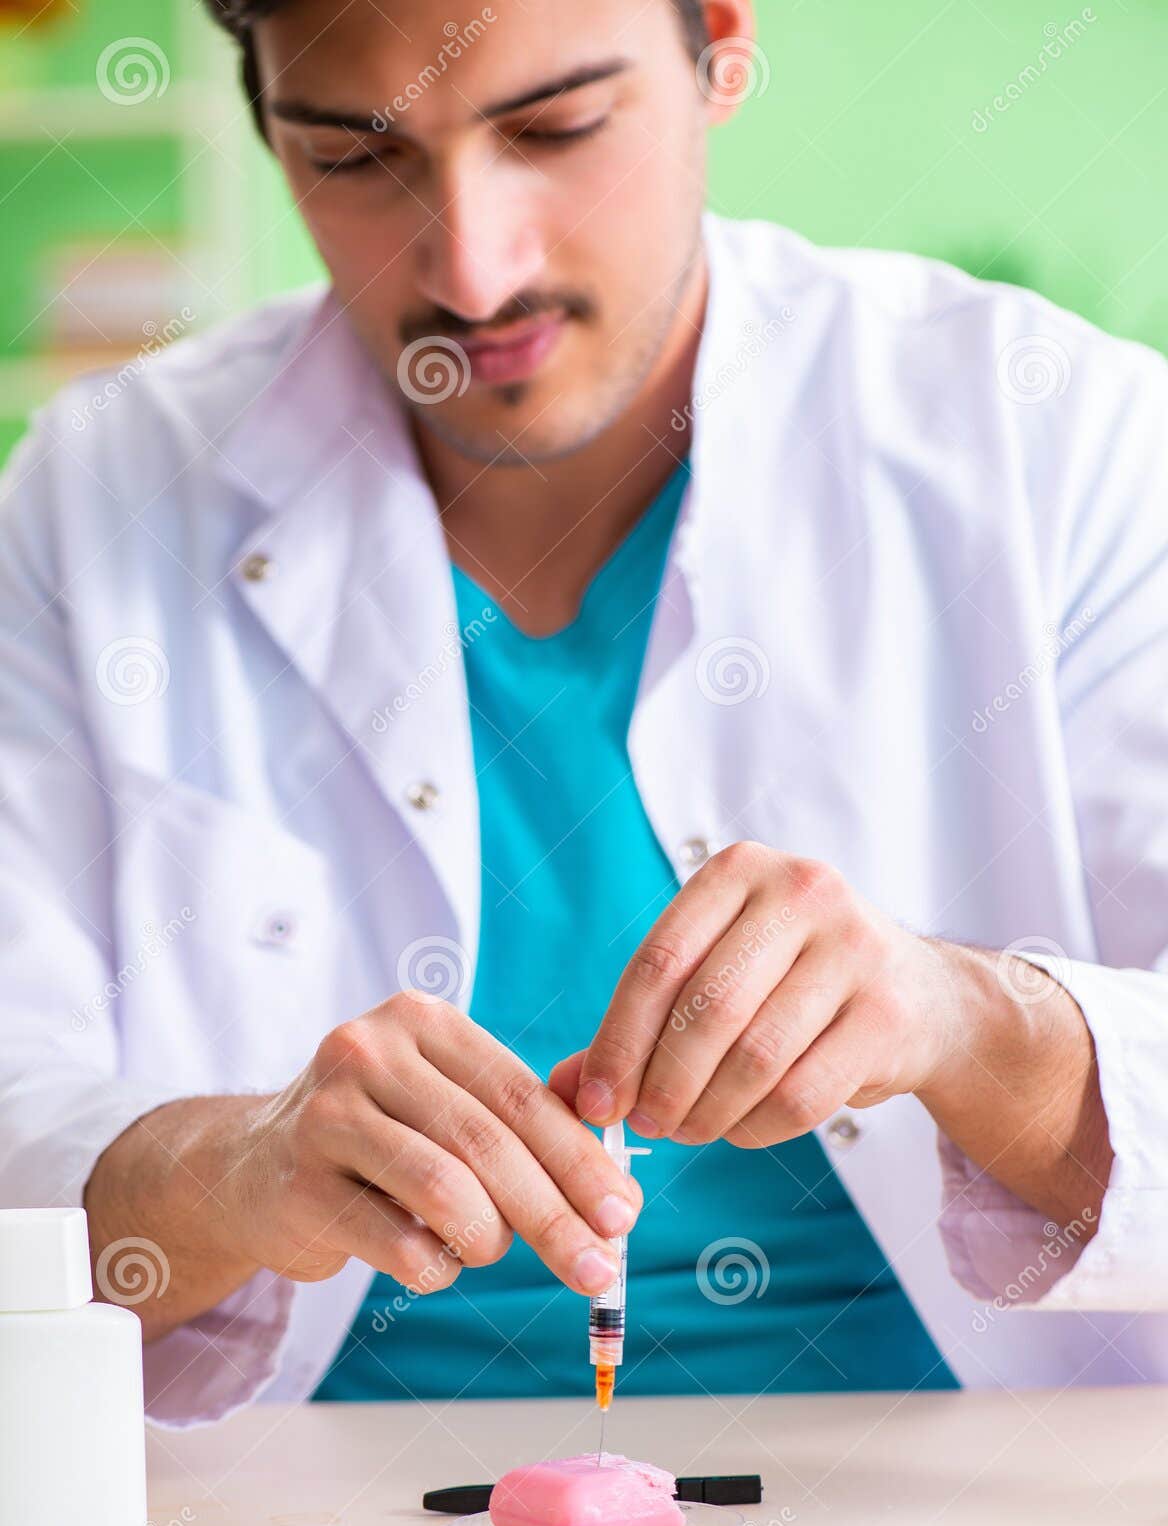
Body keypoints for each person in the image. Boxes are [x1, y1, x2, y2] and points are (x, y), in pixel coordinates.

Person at [1, 0, 1166, 1428]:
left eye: (555, 128)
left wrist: (969, 1023)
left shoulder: (1062, 442)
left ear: (716, 44)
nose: (474, 271)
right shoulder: (96, 500)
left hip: (965, 1505)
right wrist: (234, 1169)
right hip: (313, 1512)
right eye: (355, 157)